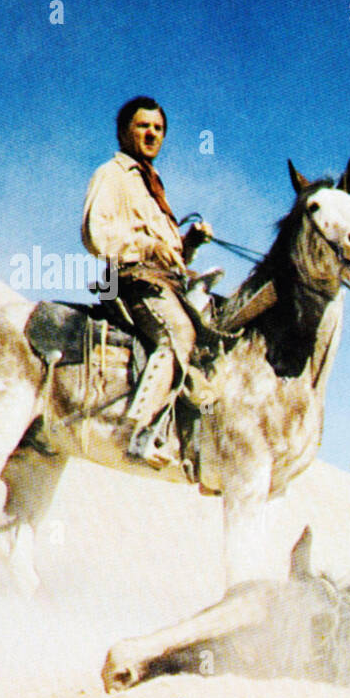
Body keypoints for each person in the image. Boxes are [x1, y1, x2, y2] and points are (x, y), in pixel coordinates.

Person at [81, 95, 213, 464]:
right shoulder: (112, 174)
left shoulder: (152, 187)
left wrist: (189, 244)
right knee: (179, 335)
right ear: (124, 131)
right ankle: (135, 432)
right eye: (143, 126)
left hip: (162, 283)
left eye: (158, 128)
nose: (151, 133)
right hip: (129, 282)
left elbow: (169, 256)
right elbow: (96, 234)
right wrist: (147, 246)